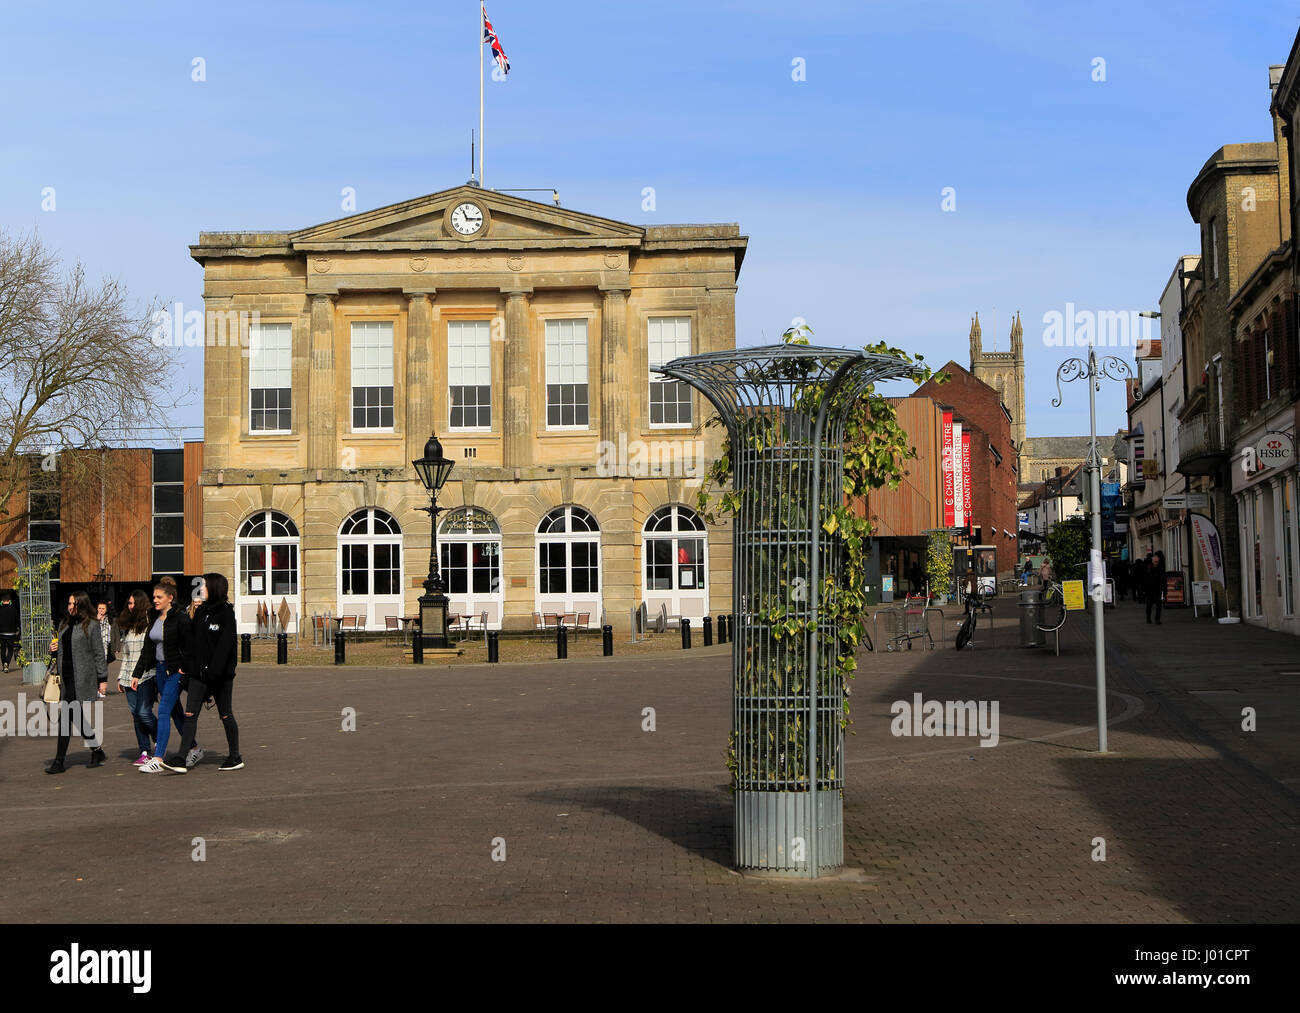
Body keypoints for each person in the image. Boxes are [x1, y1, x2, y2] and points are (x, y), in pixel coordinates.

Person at [168, 573, 242, 773]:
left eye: (204, 586)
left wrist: (213, 674)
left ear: (215, 588)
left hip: (221, 676)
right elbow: (192, 643)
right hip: (198, 675)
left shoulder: (226, 613)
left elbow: (225, 648)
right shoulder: (201, 612)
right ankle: (181, 758)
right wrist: (186, 666)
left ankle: (235, 756)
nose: (201, 589)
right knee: (190, 713)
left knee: (226, 714)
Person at [132, 581, 197, 774]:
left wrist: (184, 669)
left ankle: (158, 758)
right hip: (159, 671)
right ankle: (194, 748)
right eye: (154, 597)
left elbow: (191, 647)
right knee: (175, 712)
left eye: (159, 597)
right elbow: (148, 649)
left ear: (170, 598)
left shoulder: (181, 618)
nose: (155, 600)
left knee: (162, 712)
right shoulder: (154, 617)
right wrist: (137, 673)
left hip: (175, 672)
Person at [44, 592, 108, 774]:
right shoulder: (64, 623)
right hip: (66, 677)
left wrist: (102, 679)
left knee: (66, 716)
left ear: (82, 604)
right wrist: (53, 650)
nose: (70, 607)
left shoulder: (92, 625)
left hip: (82, 678)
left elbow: (99, 653)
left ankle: (59, 761)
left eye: (74, 604)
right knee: (76, 717)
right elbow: (64, 650)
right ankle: (97, 751)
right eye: (69, 603)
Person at [116, 589, 157, 765]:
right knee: (135, 715)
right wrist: (120, 677)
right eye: (129, 603)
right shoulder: (129, 626)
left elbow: (149, 652)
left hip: (146, 675)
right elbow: (125, 654)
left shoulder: (150, 624)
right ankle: (144, 750)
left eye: (133, 603)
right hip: (128, 676)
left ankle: (159, 737)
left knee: (143, 712)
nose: (130, 606)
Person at [0, 590, 20, 674]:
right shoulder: (14, 610)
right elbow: (17, 621)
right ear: (9, 601)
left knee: (3, 649)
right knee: (11, 649)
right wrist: (18, 630)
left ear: (2, 601)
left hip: (1, 633)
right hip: (11, 633)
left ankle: (4, 663)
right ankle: (7, 662)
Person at [1146, 550, 1167, 624]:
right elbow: (1146, 578)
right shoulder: (1149, 567)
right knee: (1149, 604)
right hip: (1150, 589)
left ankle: (1157, 619)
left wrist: (1165, 590)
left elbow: (1163, 579)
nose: (1155, 558)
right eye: (1154, 557)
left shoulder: (1161, 568)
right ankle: (1148, 618)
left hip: (1158, 588)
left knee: (1159, 604)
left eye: (1156, 557)